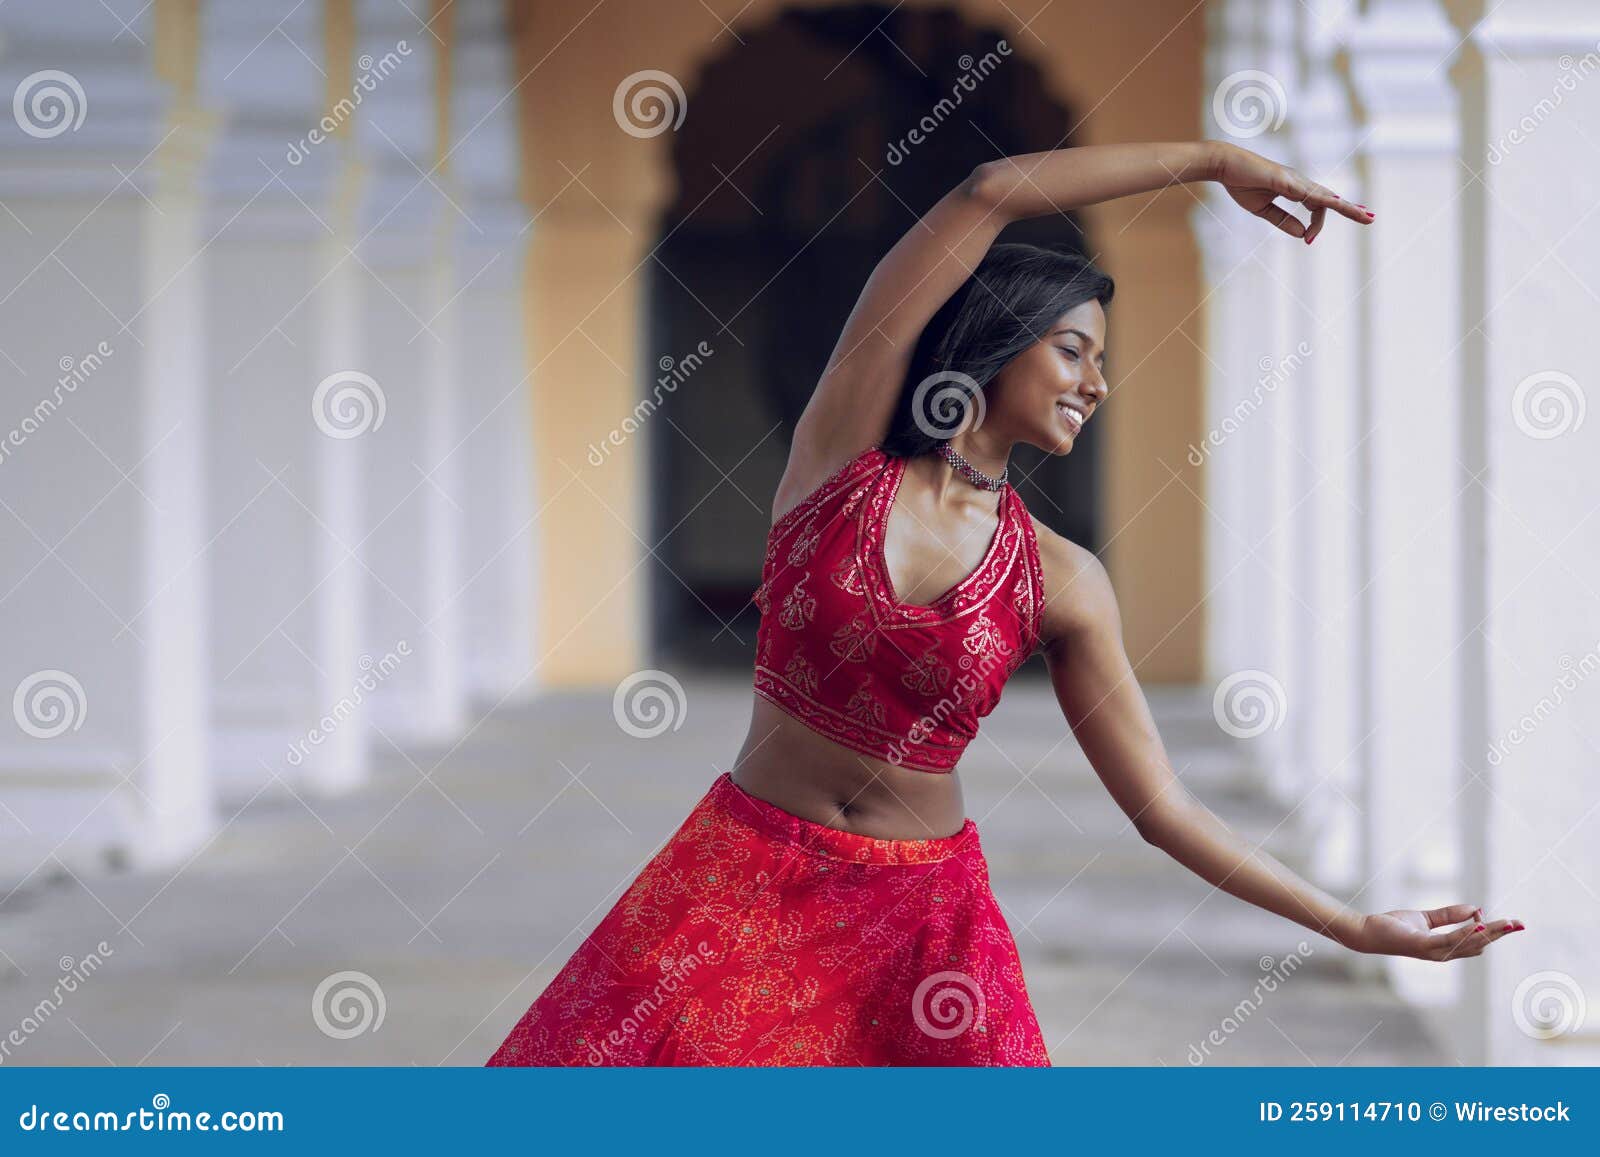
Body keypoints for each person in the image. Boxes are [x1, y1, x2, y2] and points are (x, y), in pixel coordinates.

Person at [486, 139, 1523, 1067]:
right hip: (741, 875)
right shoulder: (837, 460)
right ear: (996, 341)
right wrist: (1210, 161)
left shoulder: (1061, 579)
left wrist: (1346, 924)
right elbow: (986, 192)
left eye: (1104, 363)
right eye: (1074, 349)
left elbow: (1162, 806)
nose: (1095, 383)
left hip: (922, 926)